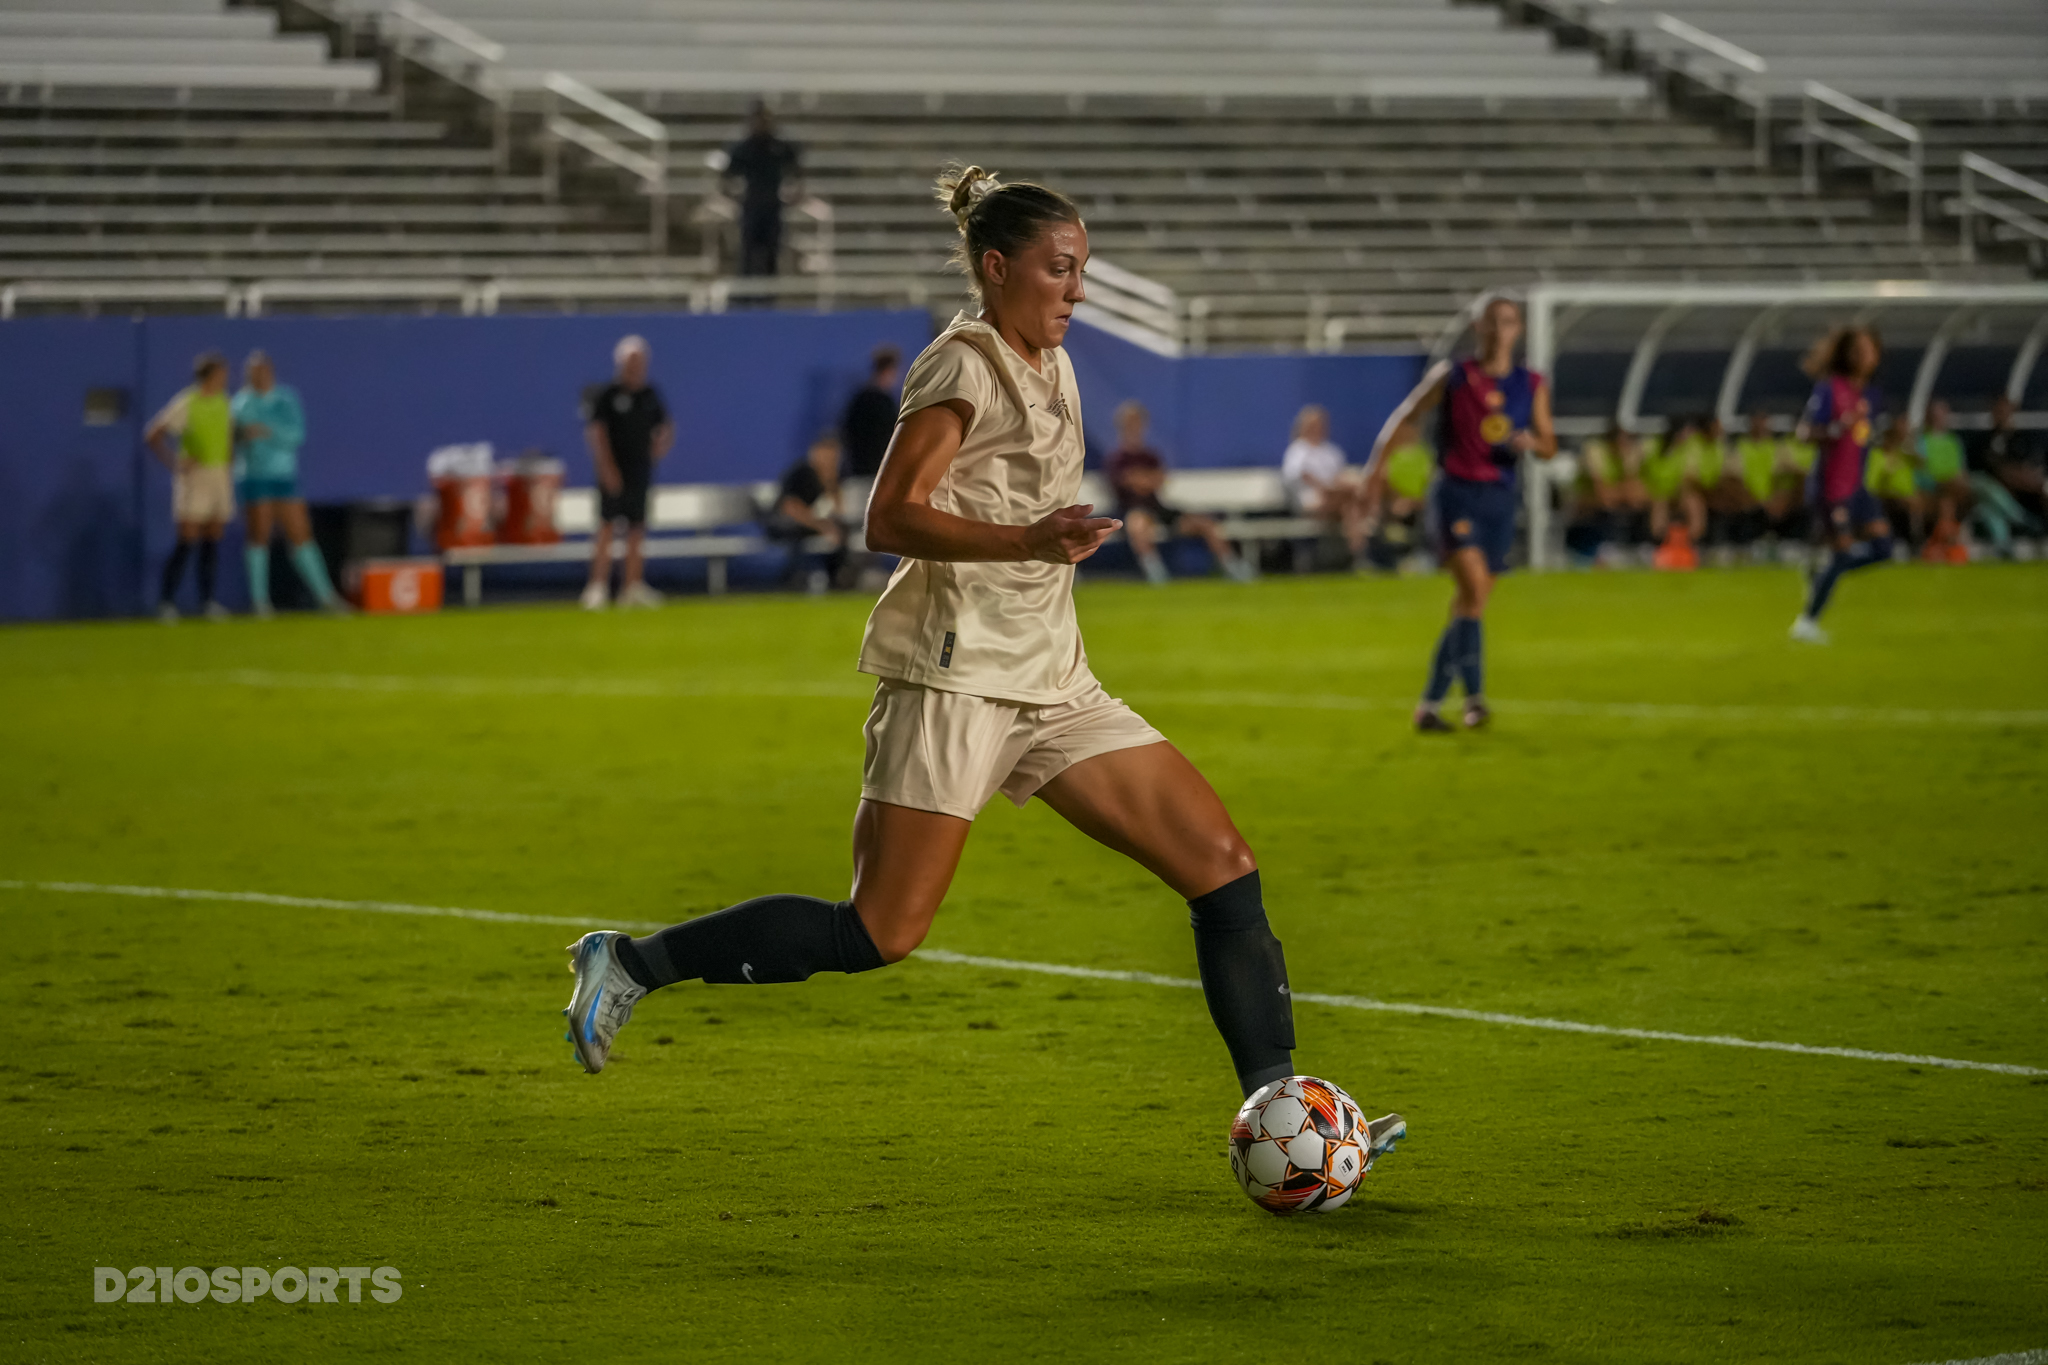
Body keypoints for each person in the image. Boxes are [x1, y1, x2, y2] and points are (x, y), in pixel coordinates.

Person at [560, 162, 1408, 1162]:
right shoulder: (960, 364)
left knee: (1221, 868)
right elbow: (887, 516)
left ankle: (1285, 1118)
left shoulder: (1053, 358)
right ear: (996, 268)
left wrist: (1042, 547)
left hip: (1050, 677)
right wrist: (1029, 541)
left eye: (1083, 269)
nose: (1076, 291)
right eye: (1059, 270)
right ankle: (628, 962)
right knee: (878, 931)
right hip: (953, 675)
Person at [1363, 295, 1557, 732]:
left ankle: (1429, 706)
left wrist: (1531, 443)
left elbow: (1550, 445)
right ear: (1477, 327)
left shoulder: (1531, 384)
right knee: (1471, 587)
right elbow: (1406, 416)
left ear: (1518, 330)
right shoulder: (1454, 376)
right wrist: (1374, 472)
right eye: (1491, 322)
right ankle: (1474, 700)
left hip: (1500, 500)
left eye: (1506, 322)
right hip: (1456, 493)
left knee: (1472, 603)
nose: (1498, 330)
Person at [1790, 325, 1892, 644]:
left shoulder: (1871, 396)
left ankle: (1820, 575)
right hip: (1831, 487)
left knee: (1883, 549)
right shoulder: (1829, 390)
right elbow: (1805, 433)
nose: (1867, 356)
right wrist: (1837, 428)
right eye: (1860, 350)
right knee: (1843, 553)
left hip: (1858, 487)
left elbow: (1863, 437)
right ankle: (1806, 623)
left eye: (1870, 349)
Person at [231, 350, 342, 617]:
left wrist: (268, 432)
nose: (256, 376)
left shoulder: (287, 398)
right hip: (254, 476)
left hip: (285, 476)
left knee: (301, 534)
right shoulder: (240, 403)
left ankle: (326, 597)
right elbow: (237, 436)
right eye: (251, 372)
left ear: (270, 371)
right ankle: (260, 603)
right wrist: (247, 435)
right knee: (259, 537)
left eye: (261, 371)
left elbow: (297, 435)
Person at [1105, 400, 1252, 584]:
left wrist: (1141, 479)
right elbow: (1129, 484)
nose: (1135, 427)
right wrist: (1143, 480)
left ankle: (1232, 566)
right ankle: (1155, 573)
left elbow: (1157, 481)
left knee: (1205, 524)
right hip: (1132, 510)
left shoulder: (1151, 456)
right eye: (1130, 422)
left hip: (1158, 509)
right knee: (1138, 524)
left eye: (1138, 422)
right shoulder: (1116, 458)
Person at [581, 335, 675, 611]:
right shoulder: (608, 395)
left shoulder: (650, 395)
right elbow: (596, 433)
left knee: (636, 529)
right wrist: (606, 467)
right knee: (607, 527)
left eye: (641, 362)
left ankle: (631, 586)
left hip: (639, 469)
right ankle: (597, 587)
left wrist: (660, 447)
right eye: (632, 362)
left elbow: (666, 425)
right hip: (613, 469)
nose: (637, 368)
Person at [144, 351, 236, 623]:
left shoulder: (224, 402)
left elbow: (228, 433)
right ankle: (166, 602)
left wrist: (229, 458)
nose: (225, 379)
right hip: (194, 479)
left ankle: (207, 602)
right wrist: (175, 463)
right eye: (221, 374)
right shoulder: (187, 402)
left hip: (220, 475)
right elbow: (153, 433)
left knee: (212, 539)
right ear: (209, 376)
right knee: (187, 540)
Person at [1280, 404, 1367, 565]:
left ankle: (1358, 557)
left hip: (1334, 502)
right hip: (1308, 502)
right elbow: (1301, 476)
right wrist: (1327, 487)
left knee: (1350, 507)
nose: (1317, 428)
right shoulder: (1297, 450)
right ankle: (1360, 557)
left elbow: (1339, 476)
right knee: (1350, 503)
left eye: (1320, 424)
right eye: (1313, 425)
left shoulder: (1332, 451)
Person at [723, 101, 801, 277]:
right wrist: (733, 196)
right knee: (748, 253)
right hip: (751, 205)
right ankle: (745, 297)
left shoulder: (780, 147)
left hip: (773, 205)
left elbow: (796, 170)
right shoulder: (744, 148)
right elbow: (727, 177)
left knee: (772, 253)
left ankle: (768, 298)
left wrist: (795, 192)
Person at [763, 430, 848, 591]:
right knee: (798, 531)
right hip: (783, 524)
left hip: (809, 524)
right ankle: (793, 579)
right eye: (826, 453)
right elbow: (790, 508)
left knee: (842, 529)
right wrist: (822, 526)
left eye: (834, 455)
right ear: (815, 452)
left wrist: (830, 481)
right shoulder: (802, 473)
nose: (830, 459)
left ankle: (838, 579)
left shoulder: (833, 478)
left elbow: (838, 510)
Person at [1364, 416, 1438, 570]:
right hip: (1394, 505)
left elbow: (1432, 483)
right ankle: (1375, 562)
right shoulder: (1391, 454)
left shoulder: (1426, 454)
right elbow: (1383, 481)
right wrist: (1394, 500)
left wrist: (1415, 501)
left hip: (1421, 505)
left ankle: (1424, 558)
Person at [1915, 399, 1971, 562]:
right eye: (1935, 414)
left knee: (1948, 500)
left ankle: (1942, 542)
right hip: (1931, 486)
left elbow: (1961, 471)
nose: (1939, 418)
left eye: (1942, 414)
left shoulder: (1954, 442)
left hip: (1952, 490)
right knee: (1947, 498)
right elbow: (1921, 471)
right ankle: (1949, 543)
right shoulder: (1921, 441)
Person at [841, 344, 902, 481]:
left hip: (857, 472)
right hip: (876, 474)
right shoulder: (884, 403)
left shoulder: (858, 399)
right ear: (889, 370)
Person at [1864, 414, 1923, 546]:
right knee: (1907, 505)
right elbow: (1872, 486)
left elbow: (1923, 466)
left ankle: (1923, 542)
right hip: (1887, 499)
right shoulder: (1877, 455)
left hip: (1908, 498)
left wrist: (1910, 447)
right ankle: (1910, 543)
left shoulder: (1904, 455)